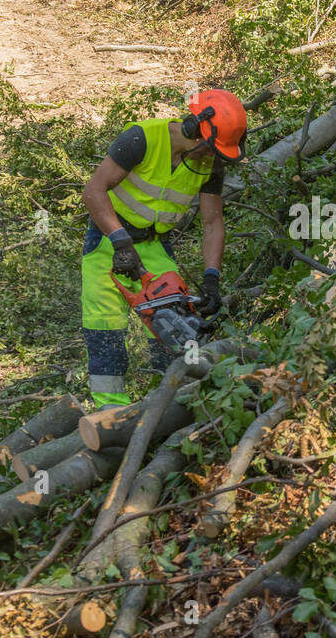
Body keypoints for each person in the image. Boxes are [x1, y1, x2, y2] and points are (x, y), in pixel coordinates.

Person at [79, 88, 247, 405]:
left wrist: (212, 278)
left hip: (155, 246)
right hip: (107, 240)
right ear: (193, 128)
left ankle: (171, 404)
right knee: (104, 331)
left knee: (174, 329)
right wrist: (119, 241)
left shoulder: (210, 164)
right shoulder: (141, 138)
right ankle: (109, 413)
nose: (212, 156)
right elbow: (93, 191)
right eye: (211, 148)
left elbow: (212, 222)